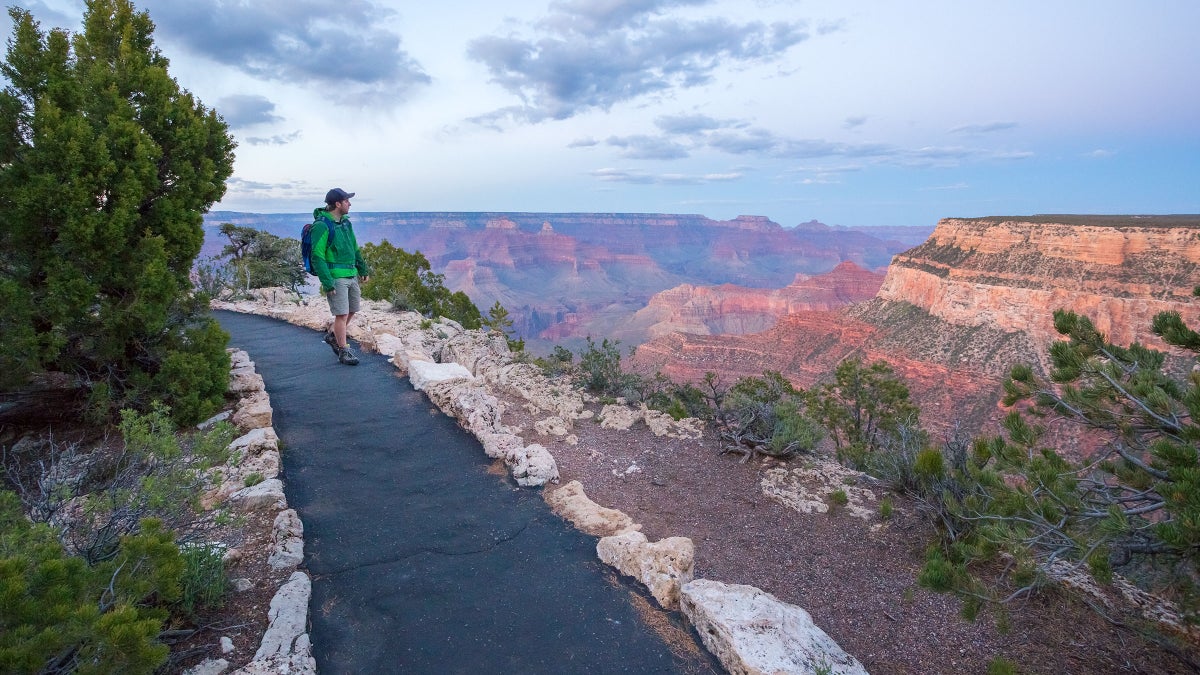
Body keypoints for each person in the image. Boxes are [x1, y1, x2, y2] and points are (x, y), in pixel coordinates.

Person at [310, 187, 371, 365]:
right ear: (337, 204)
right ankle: (343, 350)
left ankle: (333, 336)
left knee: (352, 309)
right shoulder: (321, 225)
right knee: (341, 314)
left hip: (351, 274)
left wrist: (362, 269)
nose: (349, 204)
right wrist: (327, 282)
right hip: (336, 277)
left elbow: (355, 248)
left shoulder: (345, 223)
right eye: (346, 201)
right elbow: (317, 256)